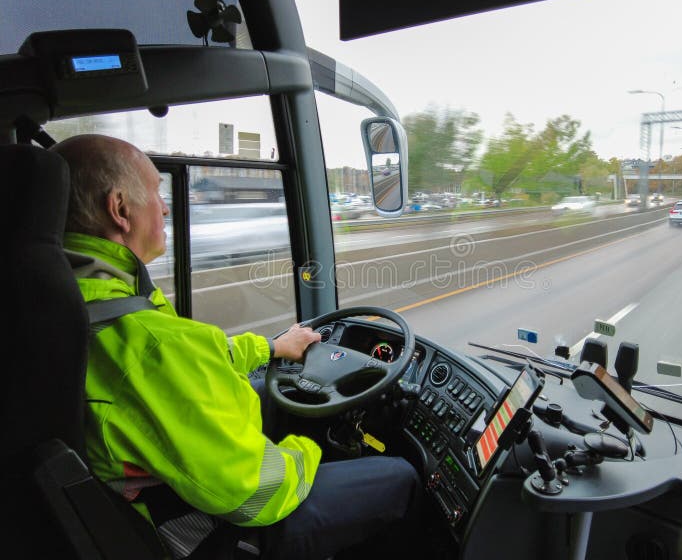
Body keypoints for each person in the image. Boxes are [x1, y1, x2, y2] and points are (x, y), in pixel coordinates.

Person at [53, 134, 422, 560]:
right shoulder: (147, 342)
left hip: (153, 509)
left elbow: (193, 356)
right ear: (120, 209)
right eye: (157, 191)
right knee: (399, 475)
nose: (166, 207)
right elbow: (256, 494)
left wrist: (272, 348)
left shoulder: (82, 300)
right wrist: (310, 445)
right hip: (207, 535)